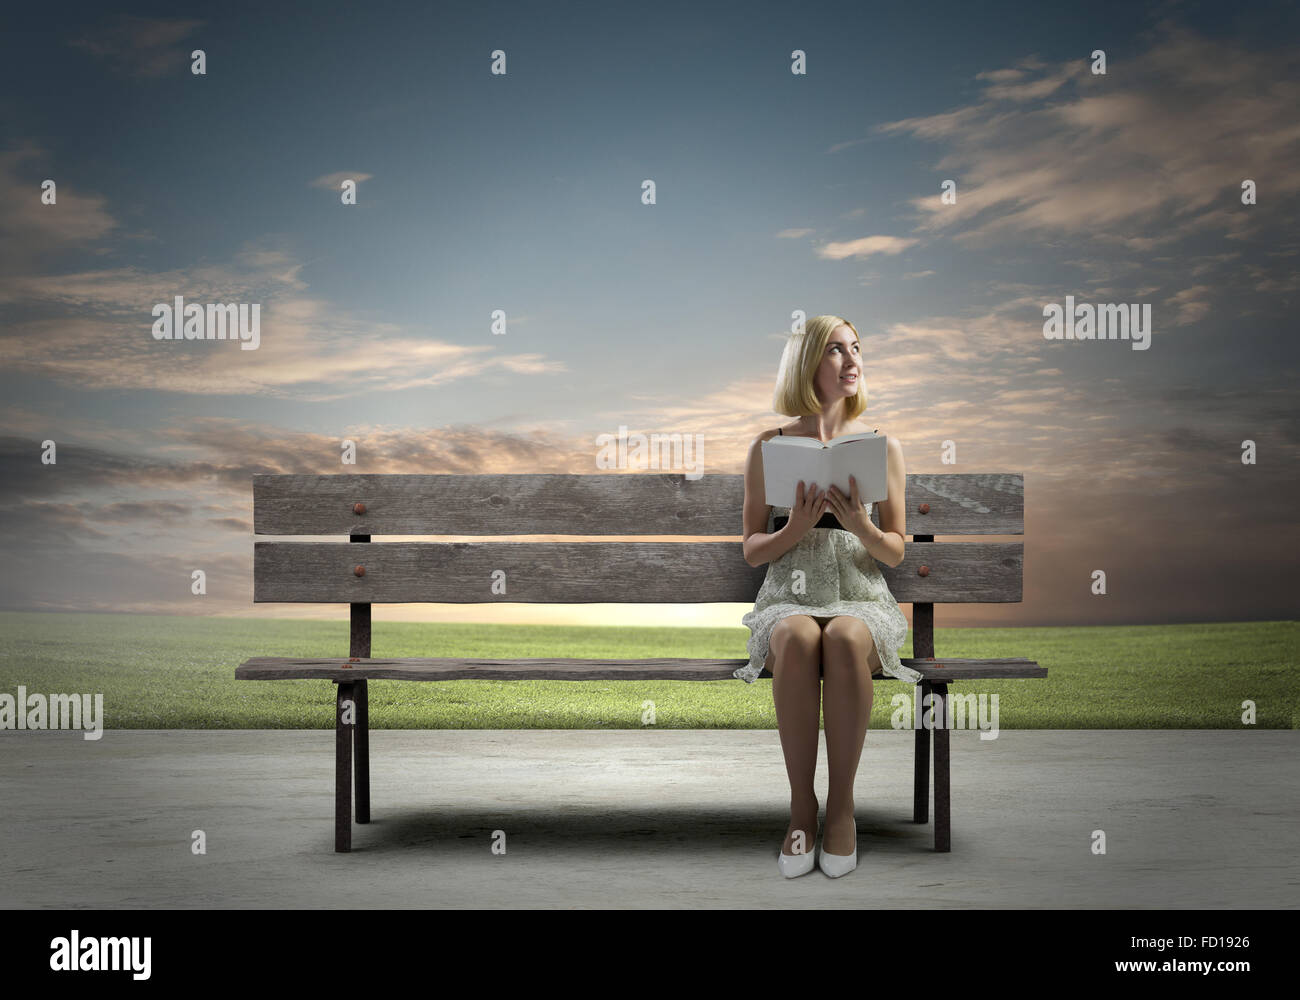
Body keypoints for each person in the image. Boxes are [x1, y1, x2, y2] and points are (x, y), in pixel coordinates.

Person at [738, 314, 921, 878]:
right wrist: (795, 527)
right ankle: (802, 808)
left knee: (842, 636)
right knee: (797, 635)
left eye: (856, 348)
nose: (852, 359)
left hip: (859, 598)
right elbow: (753, 550)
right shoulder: (768, 446)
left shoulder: (882, 447)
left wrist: (861, 525)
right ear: (807, 364)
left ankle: (841, 809)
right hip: (787, 598)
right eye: (836, 349)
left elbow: (896, 551)